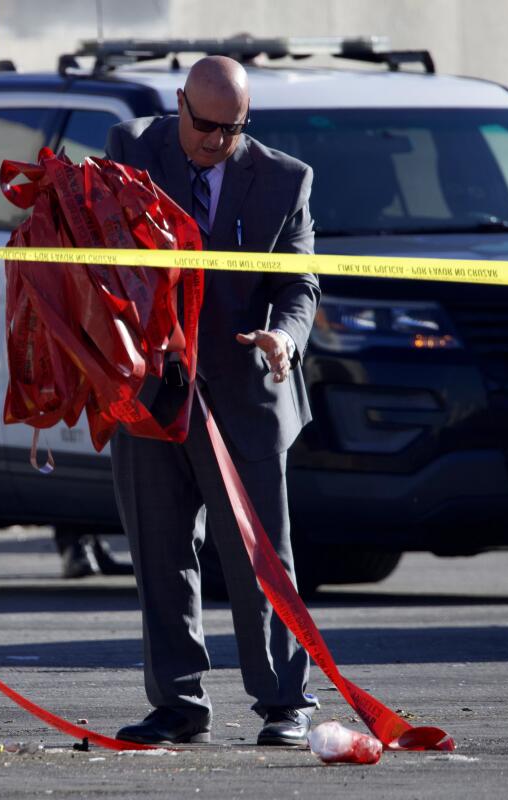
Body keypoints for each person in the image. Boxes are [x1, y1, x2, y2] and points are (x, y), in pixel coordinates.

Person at [105, 56, 320, 747]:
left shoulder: (285, 180)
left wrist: (284, 339)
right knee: (160, 550)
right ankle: (178, 704)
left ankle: (284, 704)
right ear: (178, 105)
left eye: (231, 129)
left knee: (260, 555)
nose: (214, 141)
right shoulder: (132, 149)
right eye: (203, 125)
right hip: (153, 393)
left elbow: (299, 284)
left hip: (243, 394)